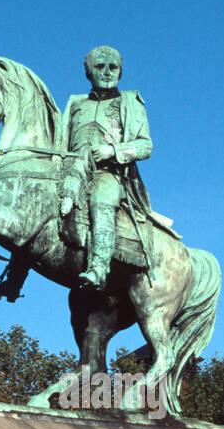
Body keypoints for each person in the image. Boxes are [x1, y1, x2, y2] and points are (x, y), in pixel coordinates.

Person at [59, 46, 168, 290]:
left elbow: (145, 146)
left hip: (108, 174)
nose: (108, 72)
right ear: (88, 72)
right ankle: (15, 274)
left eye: (113, 68)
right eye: (100, 67)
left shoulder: (129, 101)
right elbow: (60, 140)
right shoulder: (74, 103)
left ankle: (98, 268)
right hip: (71, 169)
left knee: (101, 199)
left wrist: (113, 151)